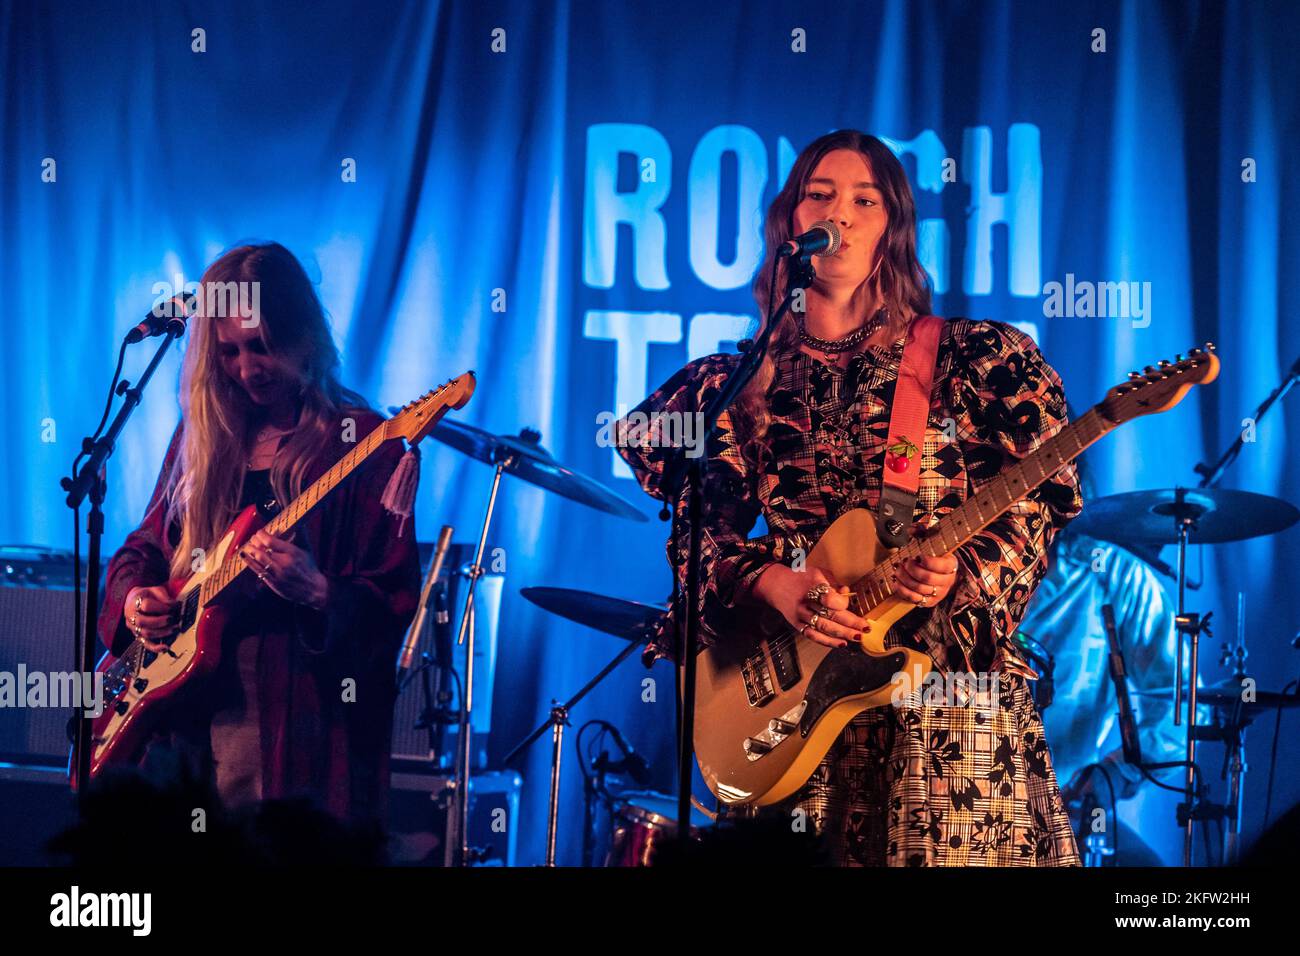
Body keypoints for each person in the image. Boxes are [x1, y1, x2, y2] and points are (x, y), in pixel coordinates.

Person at [616, 129, 1083, 866]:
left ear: (892, 229)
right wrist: (774, 582)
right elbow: (701, 536)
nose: (840, 212)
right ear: (792, 223)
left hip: (945, 702)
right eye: (820, 194)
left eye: (866, 200)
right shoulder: (734, 385)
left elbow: (1039, 503)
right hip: (794, 710)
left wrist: (963, 571)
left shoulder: (971, 359)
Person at [96, 242, 420, 826]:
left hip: (288, 725)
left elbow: (395, 600)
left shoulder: (363, 443)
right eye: (229, 351)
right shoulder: (203, 437)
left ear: (303, 338)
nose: (247, 369)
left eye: (262, 346)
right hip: (180, 724)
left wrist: (320, 593)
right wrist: (136, 599)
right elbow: (145, 546)